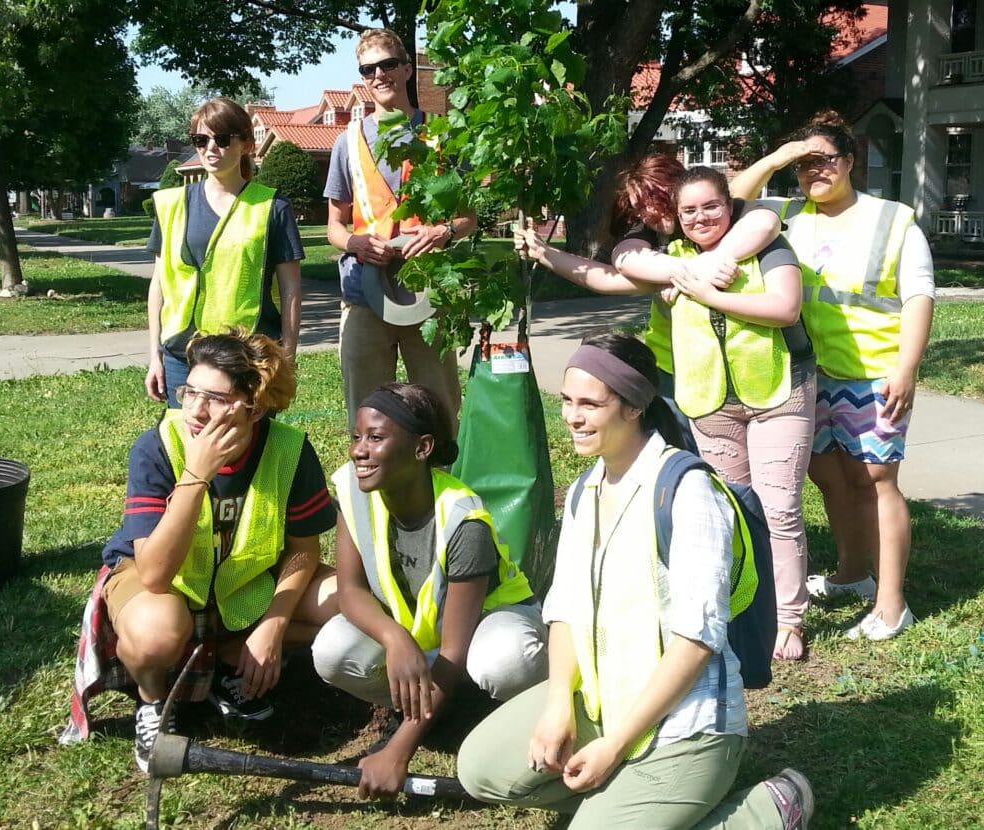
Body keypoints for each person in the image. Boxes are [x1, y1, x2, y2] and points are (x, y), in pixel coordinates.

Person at [457, 332, 813, 830]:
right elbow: (563, 609)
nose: (572, 417)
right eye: (566, 401)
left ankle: (766, 810)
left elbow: (695, 643)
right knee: (480, 770)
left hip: (688, 728)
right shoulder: (586, 488)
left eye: (590, 404)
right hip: (603, 701)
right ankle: (627, 804)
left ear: (632, 407)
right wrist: (560, 702)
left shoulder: (688, 493)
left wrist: (614, 745)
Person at [730, 111, 935, 641]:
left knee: (875, 481)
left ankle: (891, 603)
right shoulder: (787, 214)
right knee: (829, 477)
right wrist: (779, 157)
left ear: (850, 161)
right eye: (805, 164)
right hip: (807, 373)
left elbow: (919, 297)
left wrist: (906, 369)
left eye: (824, 160)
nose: (813, 171)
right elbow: (728, 200)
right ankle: (852, 575)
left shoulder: (891, 219)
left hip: (874, 373)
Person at [98, 329, 338, 771]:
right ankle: (152, 703)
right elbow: (153, 574)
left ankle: (230, 663)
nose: (194, 409)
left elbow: (304, 550)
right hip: (166, 582)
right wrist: (195, 476)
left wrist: (274, 625)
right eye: (189, 391)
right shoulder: (157, 446)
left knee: (346, 600)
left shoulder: (289, 449)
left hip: (242, 582)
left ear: (256, 406)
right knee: (157, 630)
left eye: (215, 398)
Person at [312, 382, 547, 800]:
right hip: (420, 639)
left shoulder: (462, 518)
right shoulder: (355, 489)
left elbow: (455, 654)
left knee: (506, 661)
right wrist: (394, 638)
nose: (358, 451)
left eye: (376, 438)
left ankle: (491, 710)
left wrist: (398, 751)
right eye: (357, 437)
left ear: (422, 449)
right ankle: (433, 708)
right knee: (333, 649)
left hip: (485, 632)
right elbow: (349, 590)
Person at [515, 153, 783, 453]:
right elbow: (613, 273)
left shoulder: (720, 223)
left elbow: (765, 220)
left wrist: (704, 267)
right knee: (683, 456)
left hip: (742, 368)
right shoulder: (650, 235)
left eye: (652, 199)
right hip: (674, 369)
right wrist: (543, 253)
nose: (647, 213)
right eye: (638, 206)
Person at [662, 166, 815, 661]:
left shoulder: (766, 244)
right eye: (689, 210)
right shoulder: (677, 260)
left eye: (711, 205)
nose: (701, 217)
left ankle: (788, 618)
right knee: (731, 511)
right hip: (710, 399)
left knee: (779, 508)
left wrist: (711, 295)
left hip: (777, 391)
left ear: (729, 205)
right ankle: (740, 606)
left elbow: (786, 307)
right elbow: (619, 269)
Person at [324, 28, 476, 430]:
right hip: (364, 294)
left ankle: (437, 486)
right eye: (368, 68)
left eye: (388, 64)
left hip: (428, 295)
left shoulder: (442, 135)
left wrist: (443, 231)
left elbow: (468, 218)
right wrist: (355, 243)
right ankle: (374, 490)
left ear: (407, 69)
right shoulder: (348, 142)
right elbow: (334, 228)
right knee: (366, 411)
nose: (379, 75)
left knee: (440, 408)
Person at [145, 97, 305, 407]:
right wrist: (155, 355)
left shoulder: (273, 207)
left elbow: (292, 290)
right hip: (182, 357)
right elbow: (158, 284)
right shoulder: (170, 205)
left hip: (248, 357)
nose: (210, 148)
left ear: (246, 144)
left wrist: (287, 358)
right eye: (200, 140)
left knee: (246, 450)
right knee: (189, 450)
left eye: (221, 139)